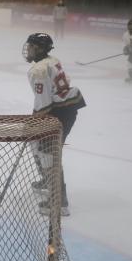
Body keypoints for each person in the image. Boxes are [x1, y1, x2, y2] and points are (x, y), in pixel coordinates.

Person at [23, 33, 85, 217]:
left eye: (32, 46)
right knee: (36, 144)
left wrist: (35, 122)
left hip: (59, 112)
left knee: (49, 154)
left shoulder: (38, 71)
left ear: (40, 49)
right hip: (64, 106)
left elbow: (44, 105)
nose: (28, 49)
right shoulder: (51, 60)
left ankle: (59, 201)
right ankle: (47, 180)